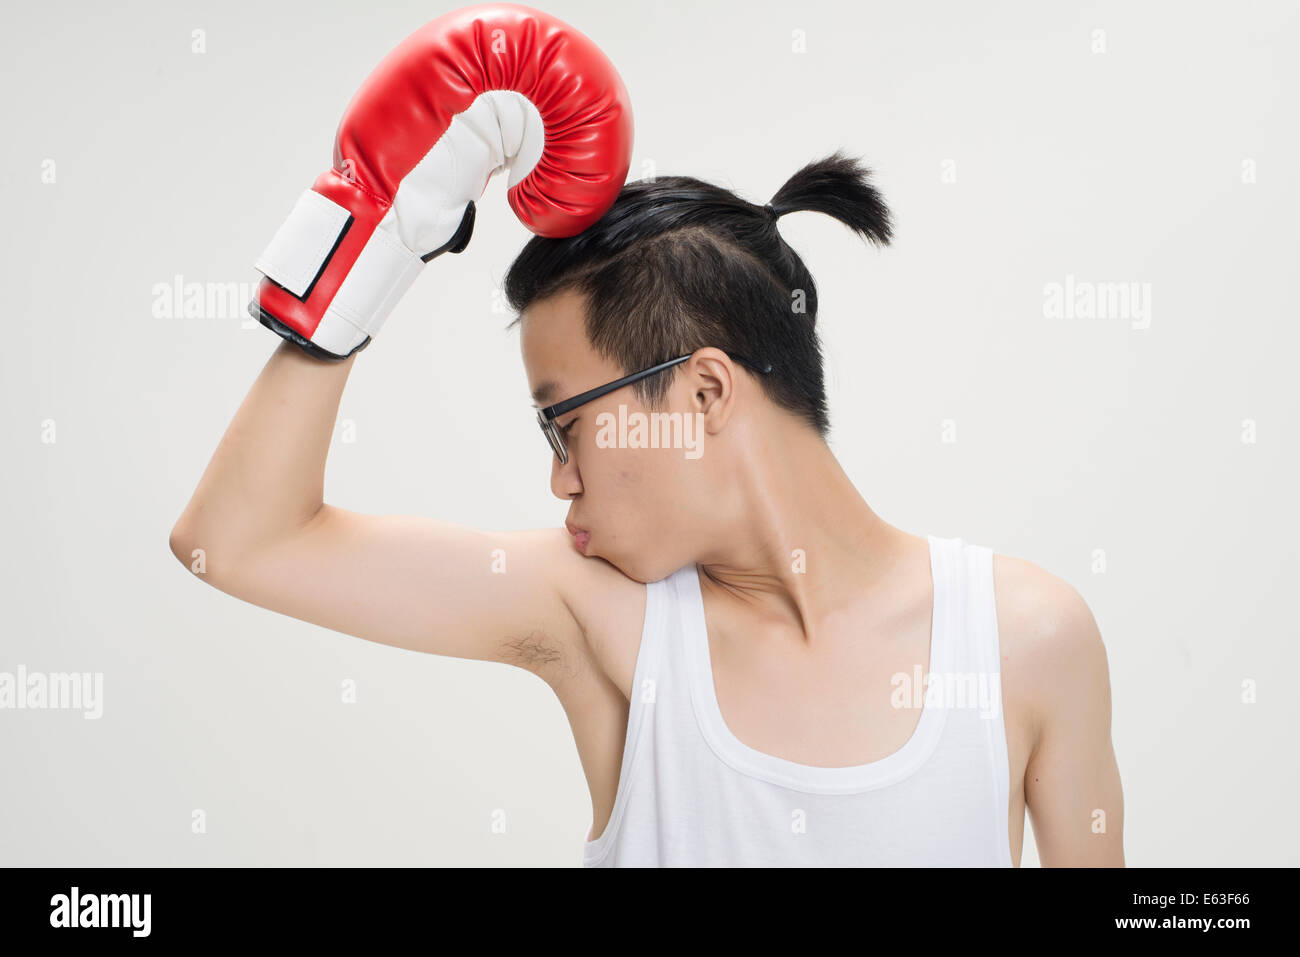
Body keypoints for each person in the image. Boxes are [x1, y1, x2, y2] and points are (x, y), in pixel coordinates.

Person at [170, 152, 1124, 867]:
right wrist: (372, 240)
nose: (559, 479)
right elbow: (237, 539)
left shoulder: (1024, 637)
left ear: (704, 393)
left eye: (564, 425)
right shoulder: (598, 610)